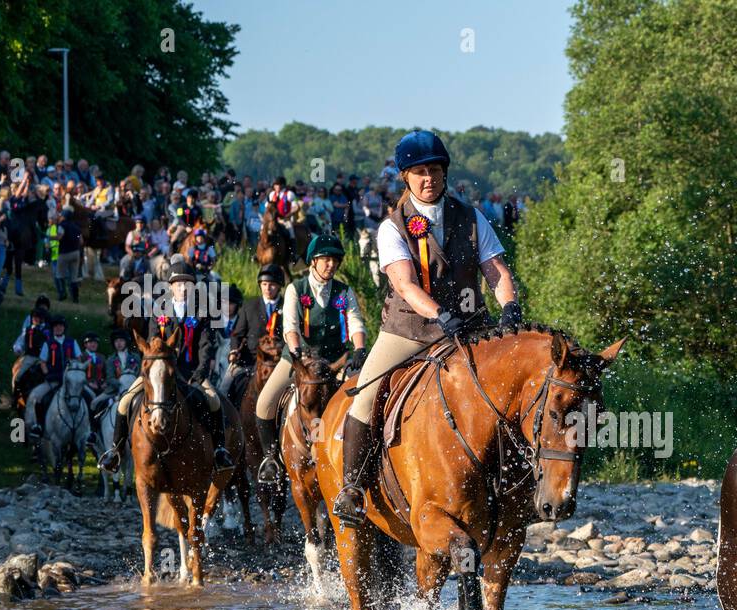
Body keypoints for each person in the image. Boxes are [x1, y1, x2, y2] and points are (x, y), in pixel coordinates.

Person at [330, 130, 522, 527]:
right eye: (419, 172)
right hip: (409, 329)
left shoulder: (471, 216)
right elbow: (405, 284)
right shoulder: (392, 227)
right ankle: (352, 490)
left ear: (444, 172)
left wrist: (510, 307)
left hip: (468, 326)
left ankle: (522, 484)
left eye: (434, 169)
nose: (428, 178)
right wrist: (439, 314)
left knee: (512, 389)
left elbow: (496, 270)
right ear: (405, 177)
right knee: (364, 394)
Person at [98, 261, 234, 476]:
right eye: (178, 284)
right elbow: (153, 339)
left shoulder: (202, 312)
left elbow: (206, 345)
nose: (182, 288)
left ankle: (219, 449)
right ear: (170, 287)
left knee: (214, 401)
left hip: (190, 371)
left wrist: (200, 372)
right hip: (158, 373)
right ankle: (115, 451)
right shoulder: (159, 310)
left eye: (187, 284)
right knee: (125, 401)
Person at [254, 234, 366, 485]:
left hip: (336, 361)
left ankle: (360, 460)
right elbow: (291, 326)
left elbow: (355, 320)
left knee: (363, 398)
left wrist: (359, 349)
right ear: (313, 262)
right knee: (264, 403)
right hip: (300, 359)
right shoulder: (296, 289)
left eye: (335, 261)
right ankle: (271, 459)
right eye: (326, 260)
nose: (331, 265)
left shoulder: (343, 291)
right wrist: (296, 352)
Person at [221, 263, 284, 403]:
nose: (267, 288)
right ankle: (226, 420)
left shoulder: (286, 305)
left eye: (272, 284)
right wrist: (233, 351)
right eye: (264, 284)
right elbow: (237, 335)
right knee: (224, 388)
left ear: (279, 285)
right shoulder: (249, 305)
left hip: (278, 361)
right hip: (249, 361)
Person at [25, 313, 81, 438]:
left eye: (60, 326)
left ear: (64, 328)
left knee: (89, 397)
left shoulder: (72, 342)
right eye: (56, 327)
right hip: (54, 379)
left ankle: (90, 430)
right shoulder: (48, 343)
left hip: (71, 381)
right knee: (38, 398)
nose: (58, 328)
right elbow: (42, 362)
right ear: (52, 329)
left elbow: (78, 358)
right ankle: (38, 426)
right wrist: (47, 375)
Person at [53, 208, 83, 302]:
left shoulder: (62, 225)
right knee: (74, 277)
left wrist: (50, 237)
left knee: (59, 275)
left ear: (64, 216)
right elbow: (81, 241)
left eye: (61, 215)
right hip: (76, 253)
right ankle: (75, 298)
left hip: (64, 253)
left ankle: (62, 294)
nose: (60, 217)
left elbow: (60, 237)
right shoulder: (76, 227)